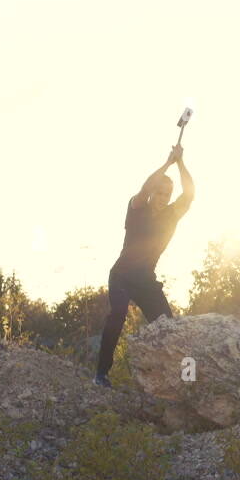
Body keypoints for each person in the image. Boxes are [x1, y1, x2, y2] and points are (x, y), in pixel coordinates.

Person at [93, 143, 195, 387]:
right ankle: (101, 375)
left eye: (167, 195)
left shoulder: (171, 215)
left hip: (145, 280)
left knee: (169, 328)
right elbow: (146, 186)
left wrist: (181, 163)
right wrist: (167, 163)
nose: (163, 198)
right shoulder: (136, 207)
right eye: (160, 193)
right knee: (117, 315)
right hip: (121, 275)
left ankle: (187, 379)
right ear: (152, 193)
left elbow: (189, 194)